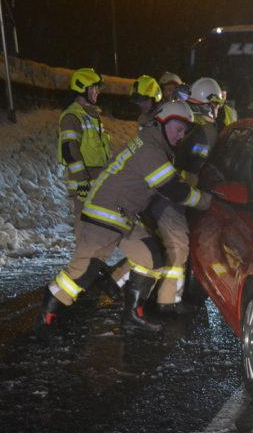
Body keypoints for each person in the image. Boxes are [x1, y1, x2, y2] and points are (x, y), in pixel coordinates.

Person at [38, 101, 212, 332]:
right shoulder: (151, 149)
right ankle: (46, 319)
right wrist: (208, 201)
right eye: (177, 129)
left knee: (150, 258)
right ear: (161, 122)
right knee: (81, 273)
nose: (181, 135)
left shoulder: (153, 144)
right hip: (105, 215)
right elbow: (174, 190)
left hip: (120, 216)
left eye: (184, 131)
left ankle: (133, 315)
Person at [144, 77, 225, 315]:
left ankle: (131, 288)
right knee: (178, 246)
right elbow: (194, 169)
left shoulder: (186, 120)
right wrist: (197, 197)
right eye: (217, 103)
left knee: (160, 243)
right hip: (174, 193)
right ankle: (167, 301)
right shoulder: (207, 129)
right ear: (211, 103)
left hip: (160, 189)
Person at [58, 68, 111, 220]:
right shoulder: (72, 116)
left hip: (95, 182)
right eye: (94, 88)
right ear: (83, 88)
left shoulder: (91, 115)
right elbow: (69, 149)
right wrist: (82, 181)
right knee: (86, 226)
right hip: (84, 186)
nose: (97, 92)